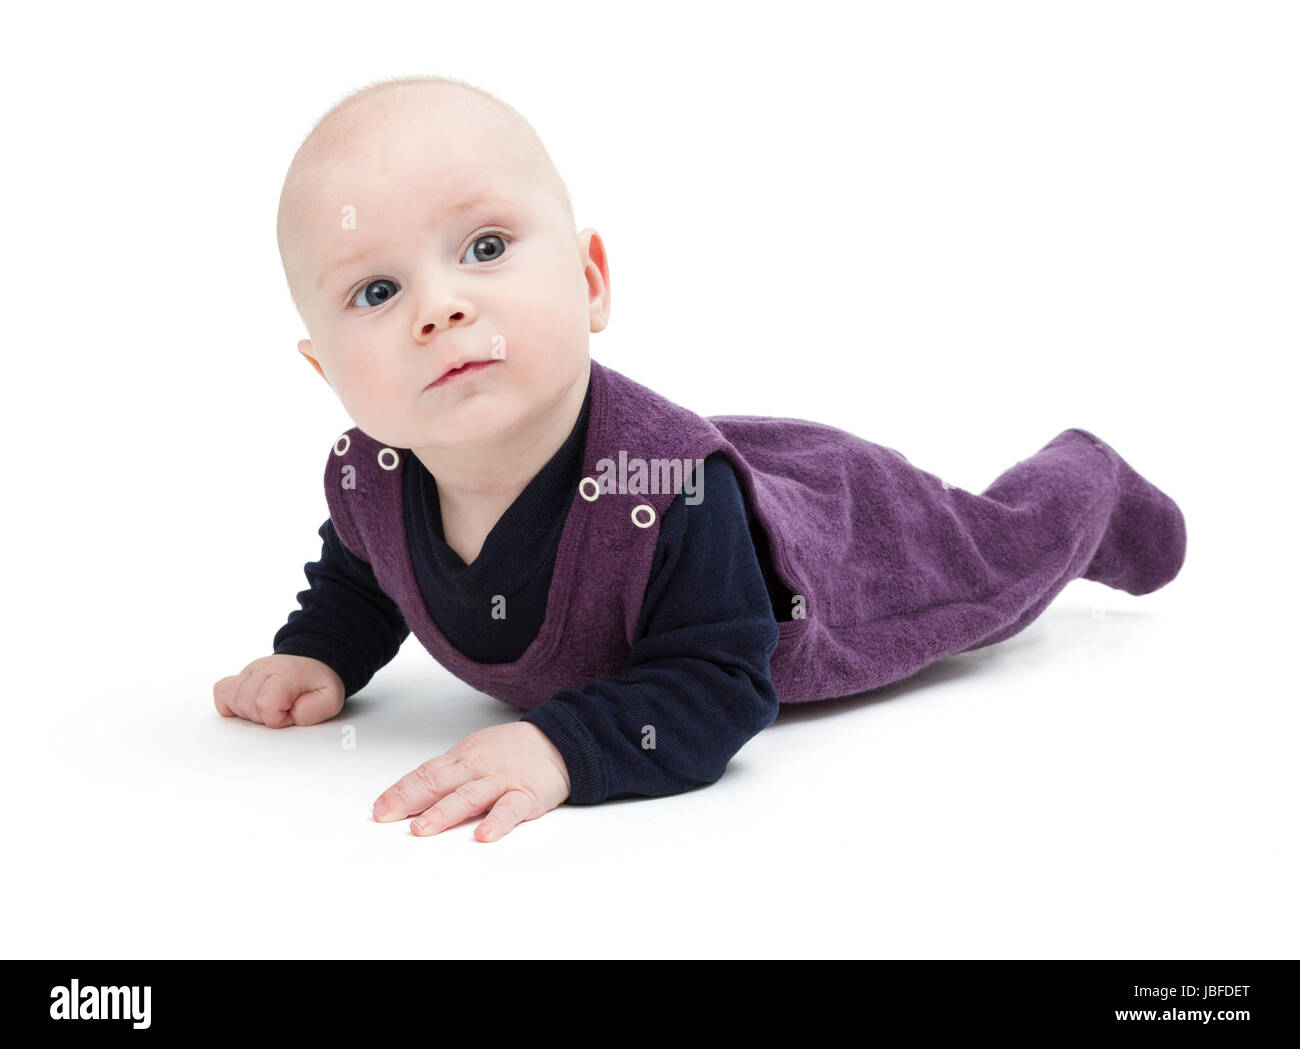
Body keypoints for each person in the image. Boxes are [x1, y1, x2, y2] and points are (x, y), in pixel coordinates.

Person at [212, 75, 1187, 844]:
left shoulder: (671, 494)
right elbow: (365, 567)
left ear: (590, 280)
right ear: (325, 368)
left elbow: (721, 682)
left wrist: (566, 744)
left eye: (486, 244)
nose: (440, 305)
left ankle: (1085, 482)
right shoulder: (366, 475)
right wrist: (320, 648)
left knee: (1000, 555)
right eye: (377, 290)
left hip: (851, 554)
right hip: (708, 467)